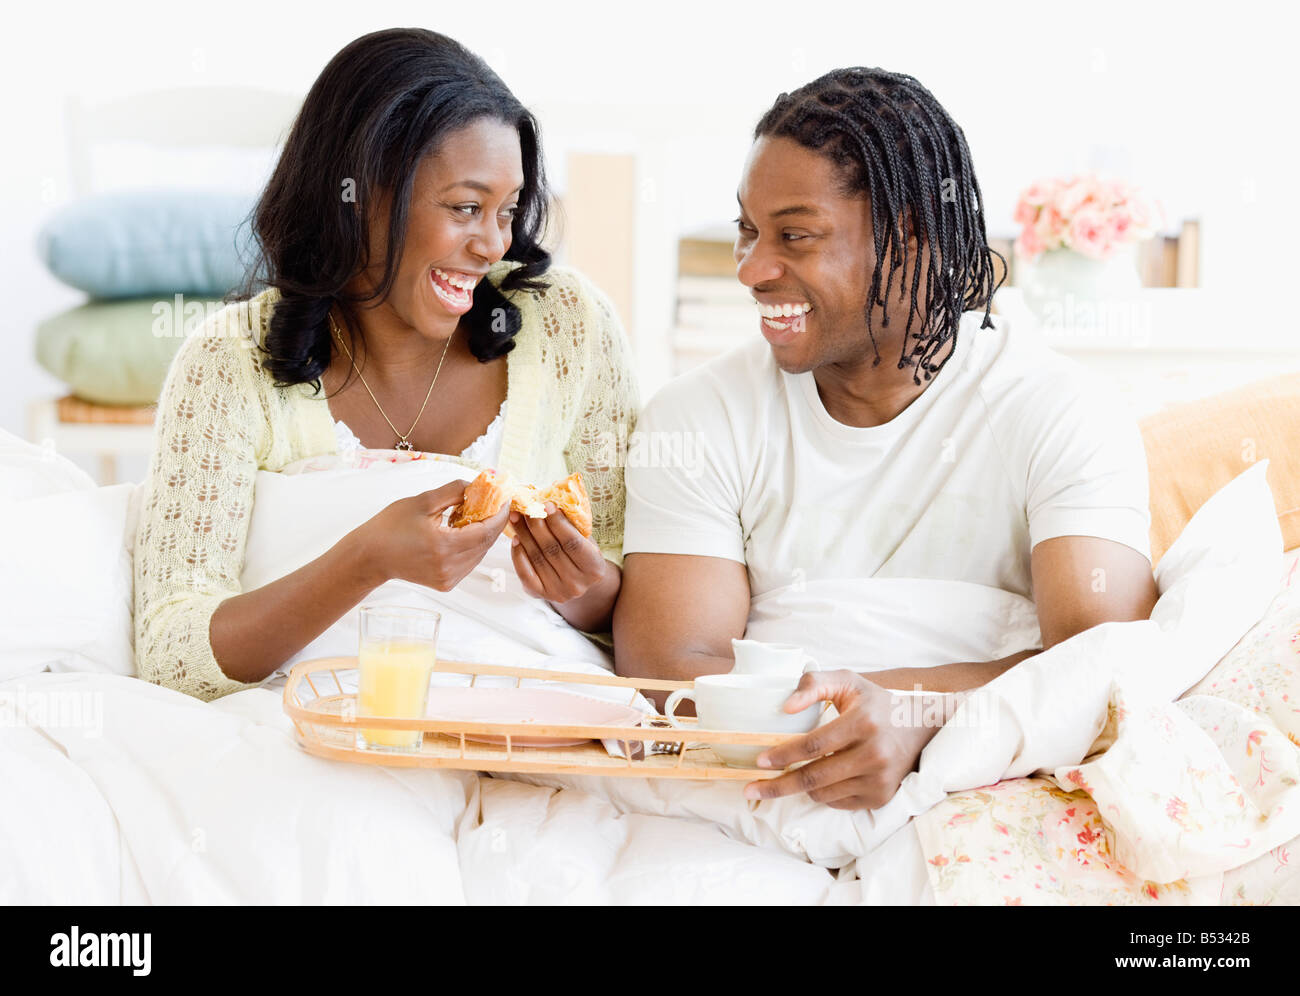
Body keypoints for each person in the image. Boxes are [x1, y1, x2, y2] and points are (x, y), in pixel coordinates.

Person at [613, 67, 1158, 811]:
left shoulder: (1061, 412)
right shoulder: (697, 417)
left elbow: (1107, 664)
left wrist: (915, 712)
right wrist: (860, 719)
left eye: (794, 236)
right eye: (748, 230)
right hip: (755, 807)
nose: (752, 269)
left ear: (912, 233)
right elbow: (672, 678)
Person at [134, 28, 637, 702]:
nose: (493, 243)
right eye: (465, 208)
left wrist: (587, 592)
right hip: (313, 738)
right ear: (362, 193)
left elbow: (647, 602)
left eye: (509, 211)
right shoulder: (229, 364)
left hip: (529, 733)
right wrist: (367, 559)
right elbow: (171, 654)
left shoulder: (568, 326)